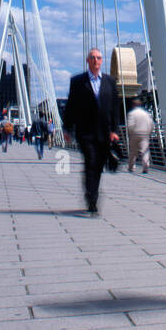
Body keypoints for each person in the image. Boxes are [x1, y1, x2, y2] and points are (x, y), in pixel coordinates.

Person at [64, 48, 120, 215]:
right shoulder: (77, 81)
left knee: (98, 166)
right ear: (88, 61)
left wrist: (114, 130)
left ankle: (91, 193)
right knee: (90, 162)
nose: (96, 60)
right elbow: (71, 106)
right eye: (93, 58)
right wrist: (67, 128)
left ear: (102, 61)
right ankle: (92, 199)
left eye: (99, 58)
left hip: (104, 132)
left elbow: (115, 108)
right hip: (85, 132)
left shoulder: (110, 82)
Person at [125, 95, 154, 174]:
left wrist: (129, 134)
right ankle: (146, 166)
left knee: (133, 152)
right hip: (145, 134)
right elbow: (151, 124)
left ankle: (131, 167)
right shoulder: (146, 114)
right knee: (145, 151)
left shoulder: (132, 113)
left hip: (135, 134)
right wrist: (149, 132)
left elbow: (130, 125)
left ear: (133, 105)